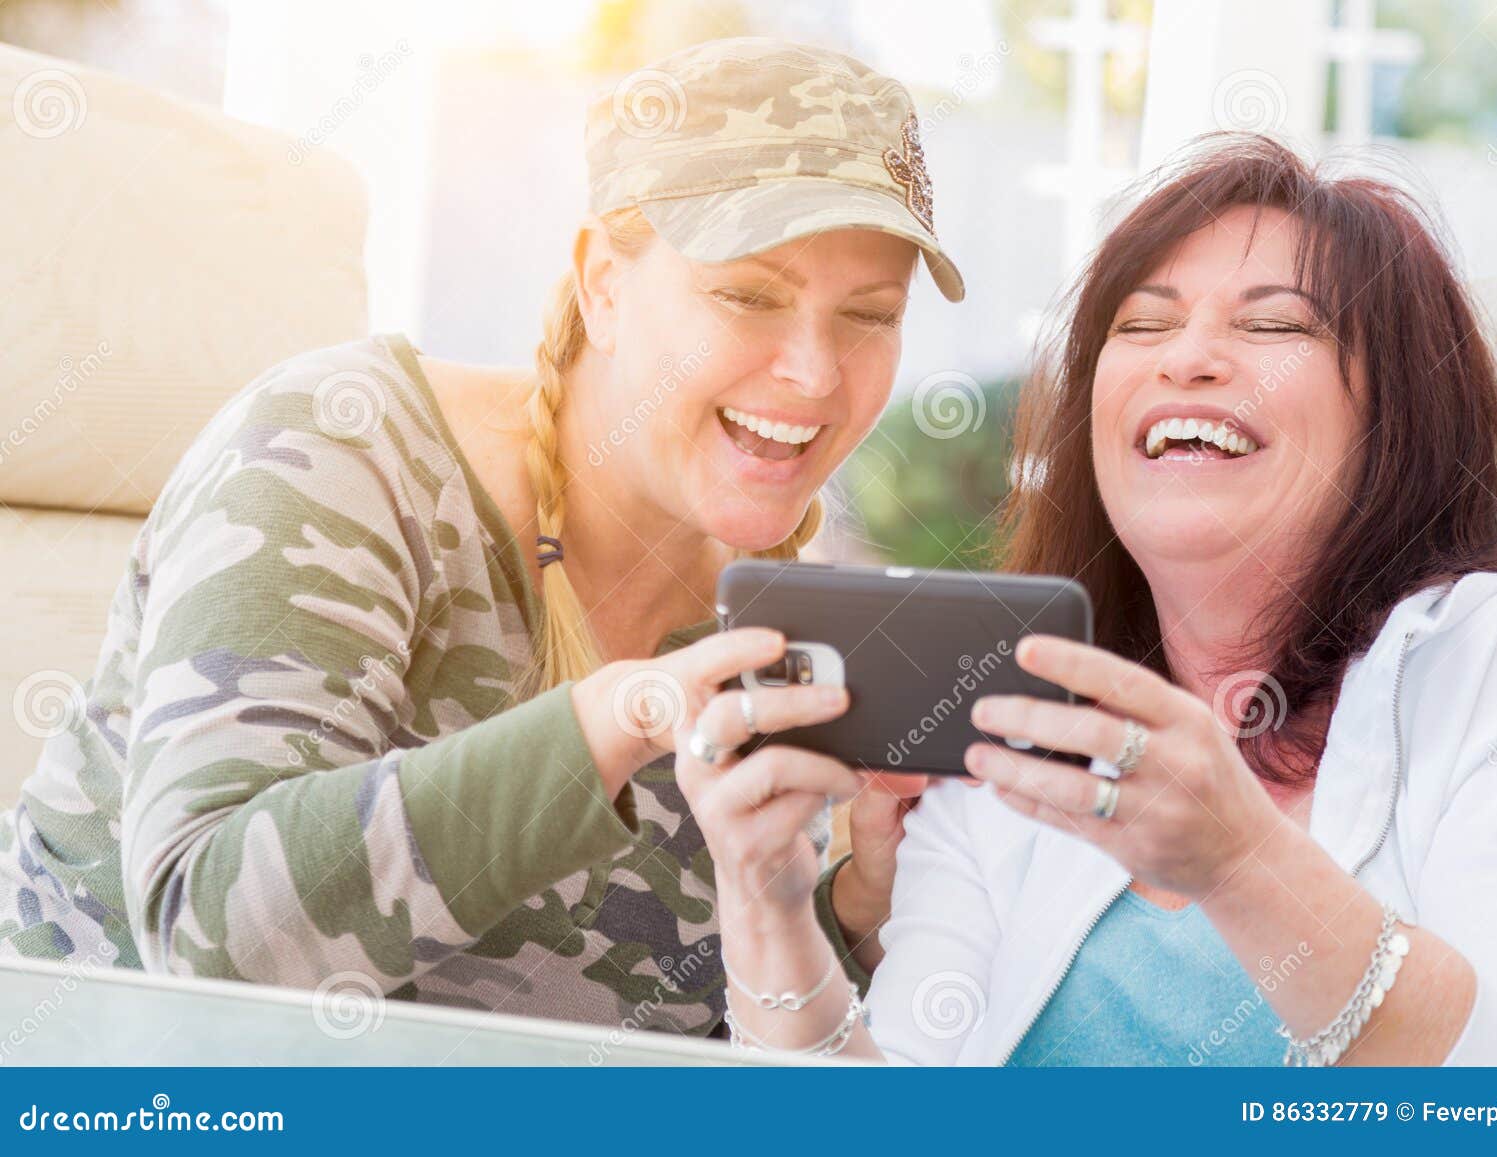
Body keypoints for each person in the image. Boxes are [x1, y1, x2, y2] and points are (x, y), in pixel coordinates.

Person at [0, 37, 962, 1035]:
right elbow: (211, 937)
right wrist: (618, 716)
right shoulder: (343, 446)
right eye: (747, 295)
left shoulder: (778, 602)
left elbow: (674, 1029)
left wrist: (847, 904)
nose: (814, 372)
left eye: (868, 313)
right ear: (604, 283)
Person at [682, 136, 1497, 1064]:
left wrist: (1239, 862)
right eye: (1144, 324)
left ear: (1397, 418)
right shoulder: (1010, 715)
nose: (1189, 358)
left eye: (1277, 326)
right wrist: (768, 903)